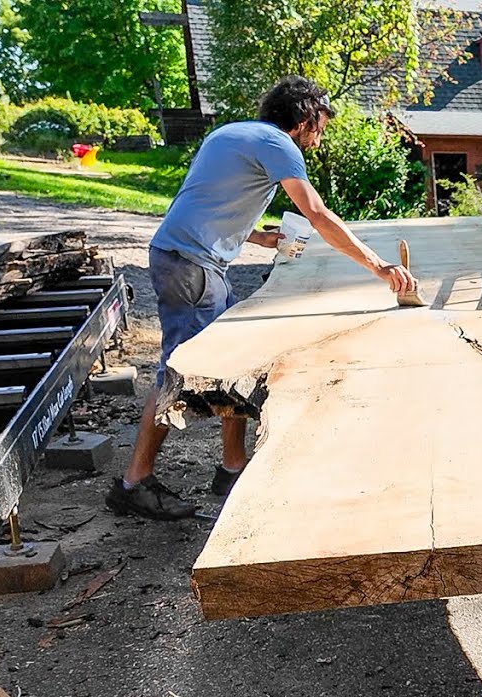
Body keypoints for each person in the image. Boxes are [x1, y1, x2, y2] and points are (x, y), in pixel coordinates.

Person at [106, 76, 416, 520]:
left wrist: (257, 237)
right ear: (305, 119)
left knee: (234, 362)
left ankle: (232, 467)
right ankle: (134, 483)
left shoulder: (229, 134)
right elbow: (316, 213)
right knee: (176, 374)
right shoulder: (279, 145)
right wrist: (378, 266)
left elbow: (202, 202)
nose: (319, 138)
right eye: (320, 127)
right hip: (191, 265)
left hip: (191, 259)